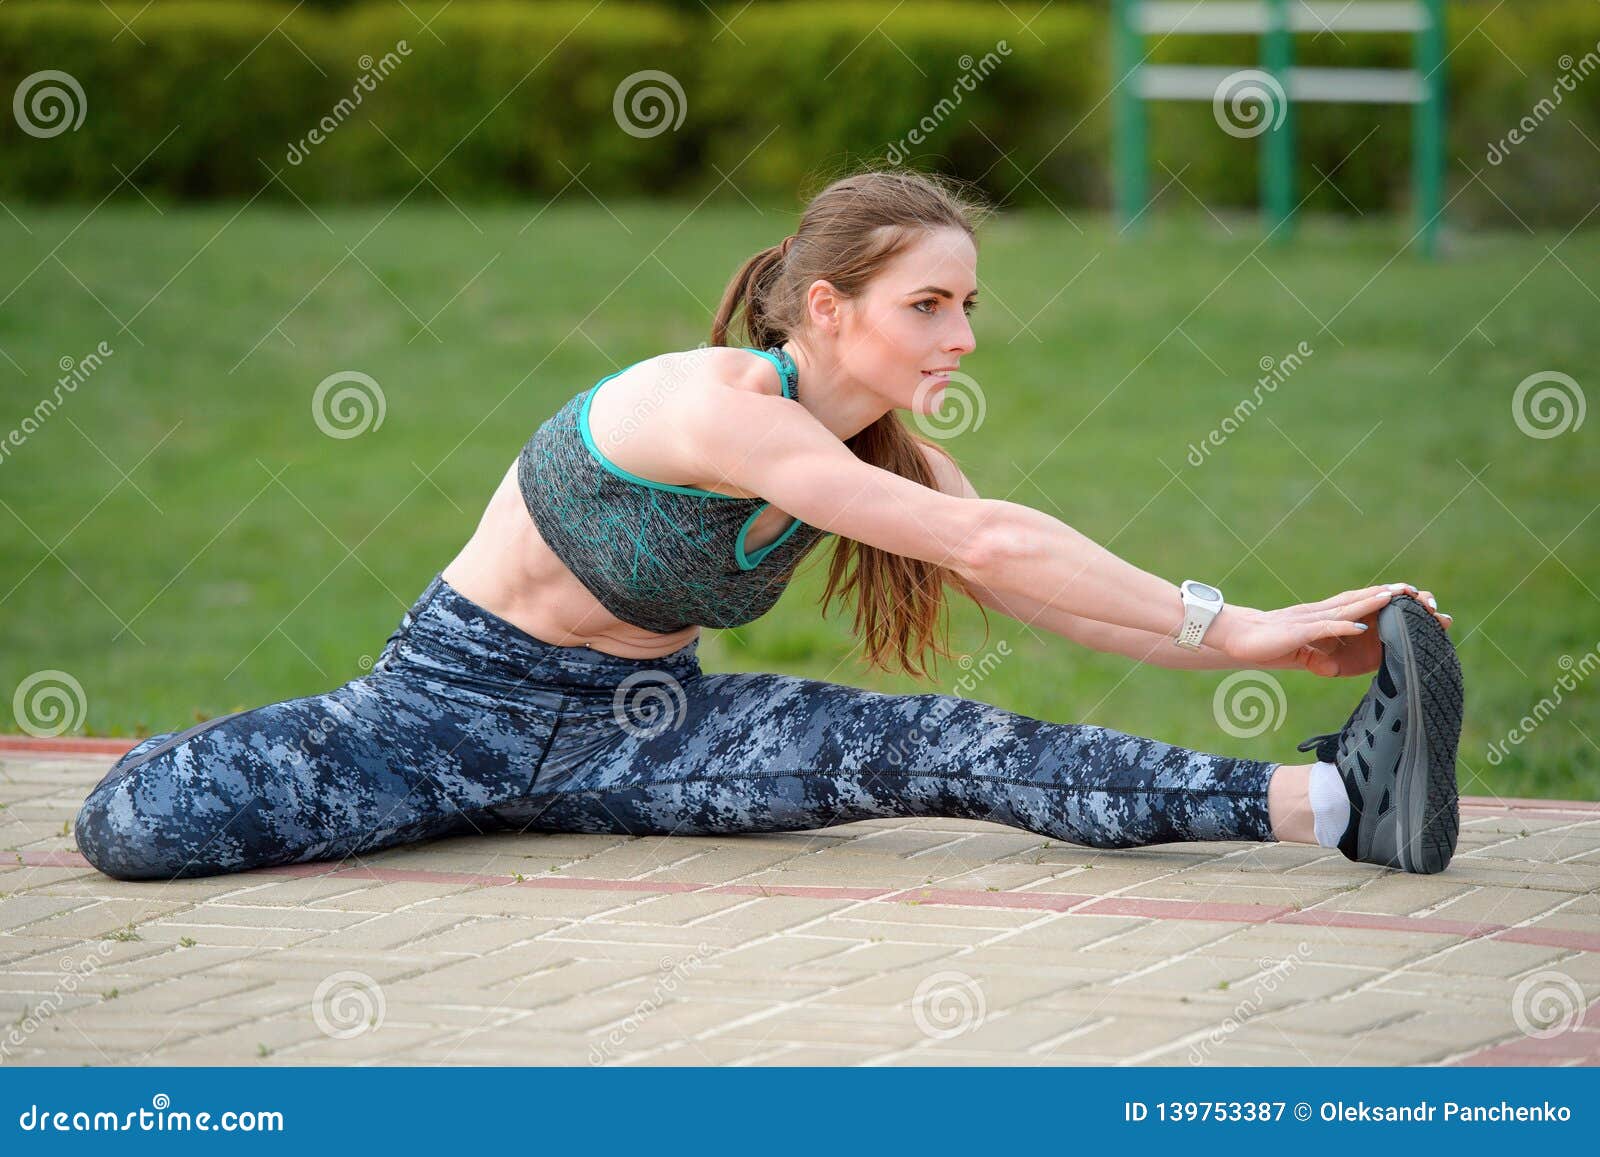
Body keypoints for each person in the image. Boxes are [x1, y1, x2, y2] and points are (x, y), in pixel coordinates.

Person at [73, 168, 1463, 883]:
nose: (964, 334)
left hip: (649, 732)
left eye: (971, 303)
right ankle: (334, 785)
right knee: (132, 823)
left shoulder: (882, 448)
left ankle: (1339, 804)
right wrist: (1251, 622)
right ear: (827, 307)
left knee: (938, 745)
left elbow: (1035, 581)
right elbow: (990, 548)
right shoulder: (718, 410)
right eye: (932, 304)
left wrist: (1268, 649)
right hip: (443, 715)